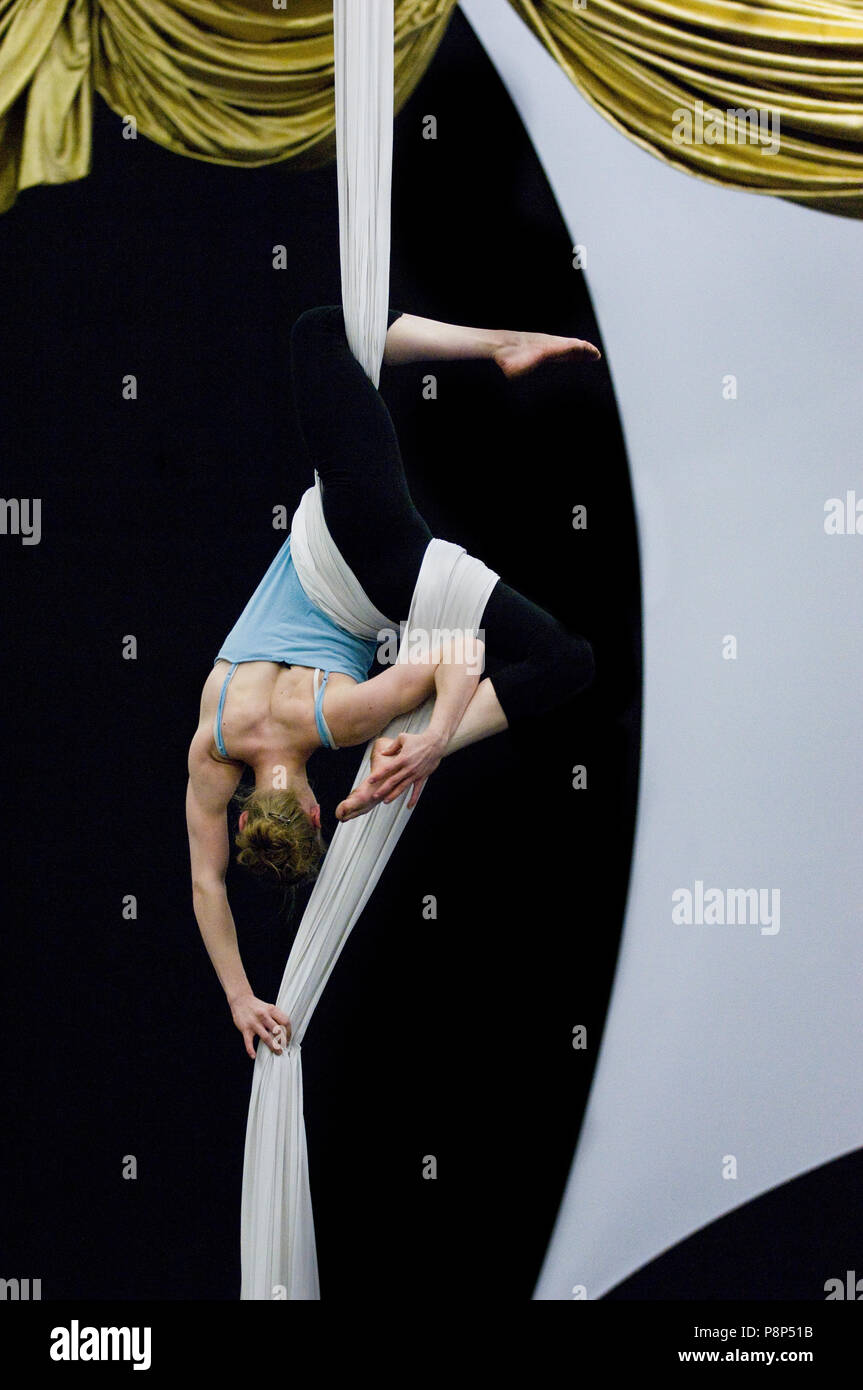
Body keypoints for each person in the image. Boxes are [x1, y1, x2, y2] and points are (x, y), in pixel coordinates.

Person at [186, 305, 600, 1059]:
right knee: (316, 329)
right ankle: (501, 343)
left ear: (315, 819)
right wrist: (239, 998)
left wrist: (433, 741)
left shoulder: (335, 721)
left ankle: (506, 345)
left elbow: (452, 652)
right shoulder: (211, 746)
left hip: (374, 556)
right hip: (344, 529)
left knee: (566, 662)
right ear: (248, 819)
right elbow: (205, 886)